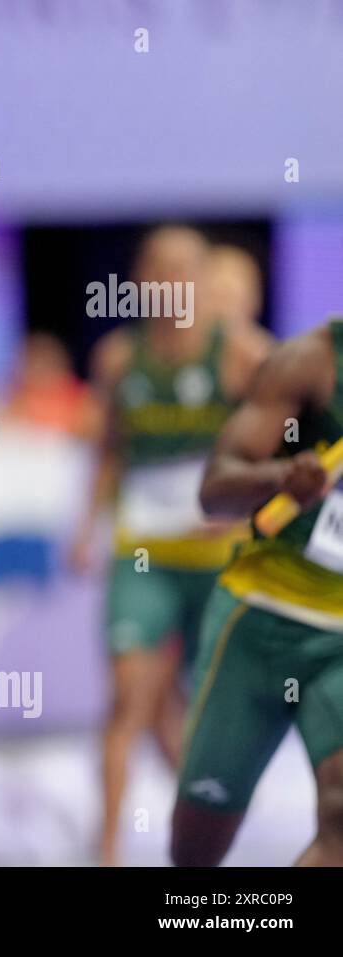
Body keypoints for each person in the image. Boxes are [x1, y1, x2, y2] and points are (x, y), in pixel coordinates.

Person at [68, 225, 271, 865]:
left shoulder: (240, 354)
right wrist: (84, 526)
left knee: (197, 722)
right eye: (157, 271)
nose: (170, 284)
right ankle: (107, 850)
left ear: (204, 282)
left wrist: (251, 510)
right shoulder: (118, 359)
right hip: (145, 555)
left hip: (218, 564)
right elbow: (108, 449)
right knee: (130, 696)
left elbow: (289, 438)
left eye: (184, 271)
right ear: (138, 282)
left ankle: (197, 854)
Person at [172, 318, 343, 866]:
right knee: (195, 855)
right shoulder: (309, 363)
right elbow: (214, 491)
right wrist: (280, 478)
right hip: (260, 624)